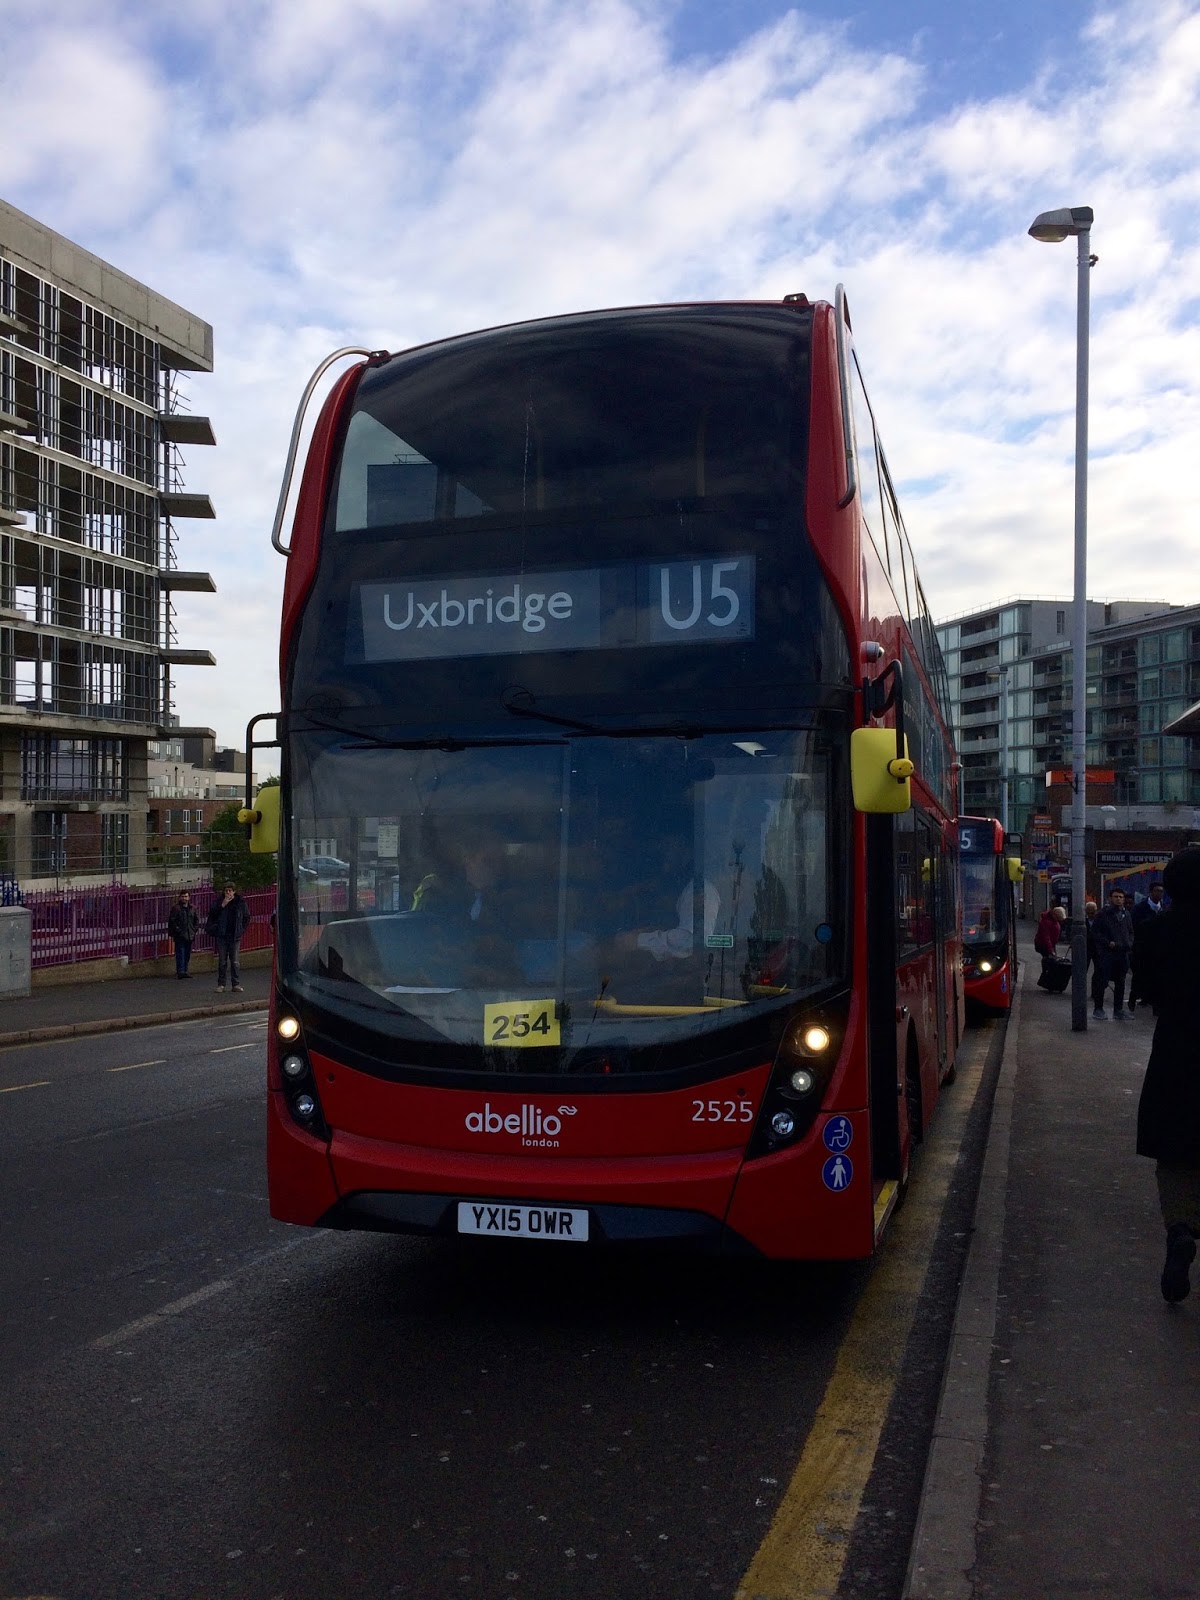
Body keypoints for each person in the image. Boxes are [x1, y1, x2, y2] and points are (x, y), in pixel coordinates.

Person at [1132, 848, 1200, 1302]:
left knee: (1174, 1159)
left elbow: (1145, 990)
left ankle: (1180, 1230)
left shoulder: (1155, 931)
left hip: (1176, 1055)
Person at [1090, 886, 1134, 1020]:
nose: (1119, 899)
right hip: (1107, 954)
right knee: (1102, 981)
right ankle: (1098, 1009)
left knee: (1121, 982)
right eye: (1116, 897)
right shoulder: (1103, 915)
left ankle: (1118, 1010)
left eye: (1121, 897)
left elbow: (1131, 932)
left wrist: (1130, 943)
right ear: (1110, 898)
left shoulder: (1126, 915)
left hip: (1123, 954)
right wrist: (1108, 943)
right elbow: (1095, 933)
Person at [206, 882, 251, 993]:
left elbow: (246, 917)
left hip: (234, 935)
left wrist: (241, 930)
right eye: (226, 890)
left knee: (235, 961)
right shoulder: (218, 902)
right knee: (222, 961)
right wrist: (223, 905)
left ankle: (236, 984)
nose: (228, 893)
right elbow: (212, 914)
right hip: (222, 935)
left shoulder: (240, 903)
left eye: (230, 890)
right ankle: (221, 984)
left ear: (234, 892)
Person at [1128, 882, 1166, 1013]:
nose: (1159, 894)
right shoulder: (1140, 908)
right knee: (1139, 975)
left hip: (1159, 950)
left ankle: (1156, 1006)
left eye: (1161, 891)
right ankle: (1133, 1000)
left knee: (1158, 978)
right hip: (1142, 949)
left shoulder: (1165, 909)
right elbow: (1134, 927)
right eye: (1156, 891)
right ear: (1151, 892)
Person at [1033, 903, 1067, 990]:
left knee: (1050, 960)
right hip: (1044, 945)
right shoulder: (1046, 922)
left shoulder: (1052, 920)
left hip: (1051, 944)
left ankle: (1046, 980)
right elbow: (1046, 937)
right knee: (1049, 961)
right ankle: (1046, 980)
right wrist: (1051, 949)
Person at [167, 890, 199, 979]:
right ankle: (180, 971)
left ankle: (185, 970)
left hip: (189, 934)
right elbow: (172, 921)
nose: (184, 898)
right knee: (180, 952)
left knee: (187, 953)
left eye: (186, 896)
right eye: (182, 896)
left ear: (189, 897)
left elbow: (196, 920)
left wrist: (194, 929)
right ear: (180, 897)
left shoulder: (193, 908)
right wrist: (178, 930)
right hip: (180, 934)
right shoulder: (176, 908)